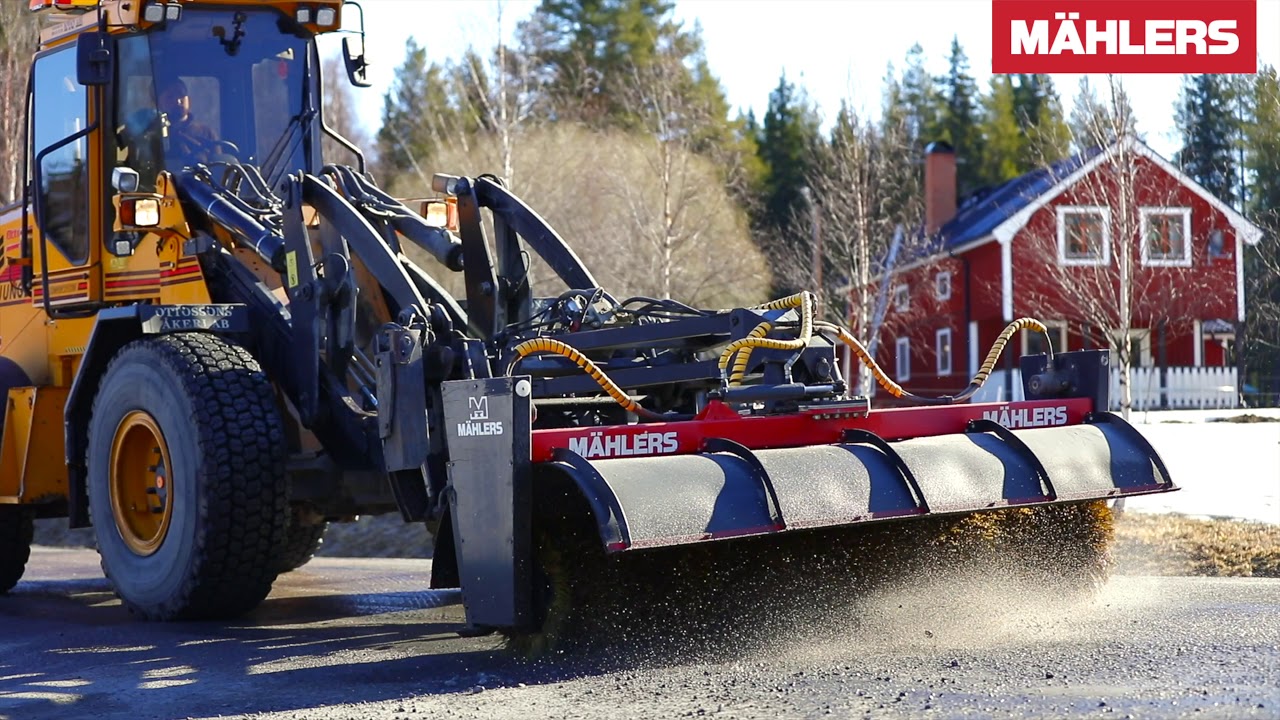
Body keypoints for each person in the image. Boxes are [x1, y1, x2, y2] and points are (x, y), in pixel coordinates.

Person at [157, 78, 217, 166]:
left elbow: (218, 167)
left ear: (188, 100)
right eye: (170, 97)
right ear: (159, 103)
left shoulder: (206, 133)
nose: (178, 101)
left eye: (181, 95)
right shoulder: (152, 133)